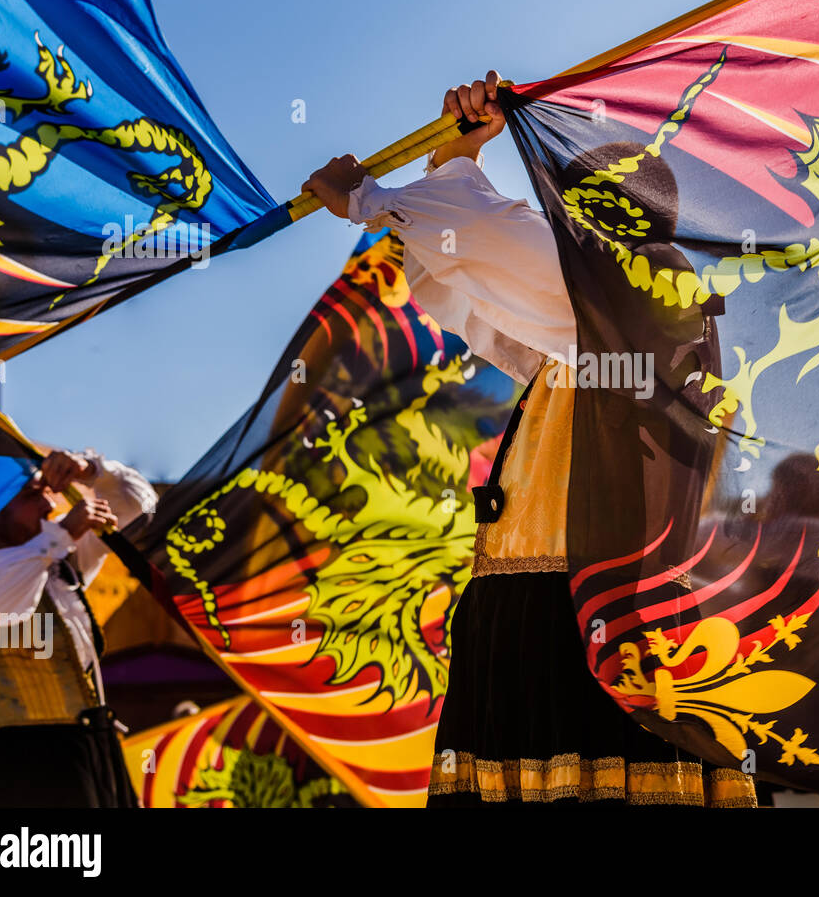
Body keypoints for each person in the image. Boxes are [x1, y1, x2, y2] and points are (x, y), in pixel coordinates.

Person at [304, 72, 756, 807]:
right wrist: (463, 160)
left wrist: (373, 198)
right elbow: (495, 294)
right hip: (583, 602)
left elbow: (507, 251)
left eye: (577, 212)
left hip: (576, 605)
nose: (565, 226)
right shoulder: (615, 322)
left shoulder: (636, 292)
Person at [0, 447, 156, 807]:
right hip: (21, 770)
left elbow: (139, 503)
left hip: (94, 754)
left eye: (48, 490)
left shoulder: (59, 562)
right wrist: (60, 536)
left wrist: (88, 470)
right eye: (34, 493)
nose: (50, 504)